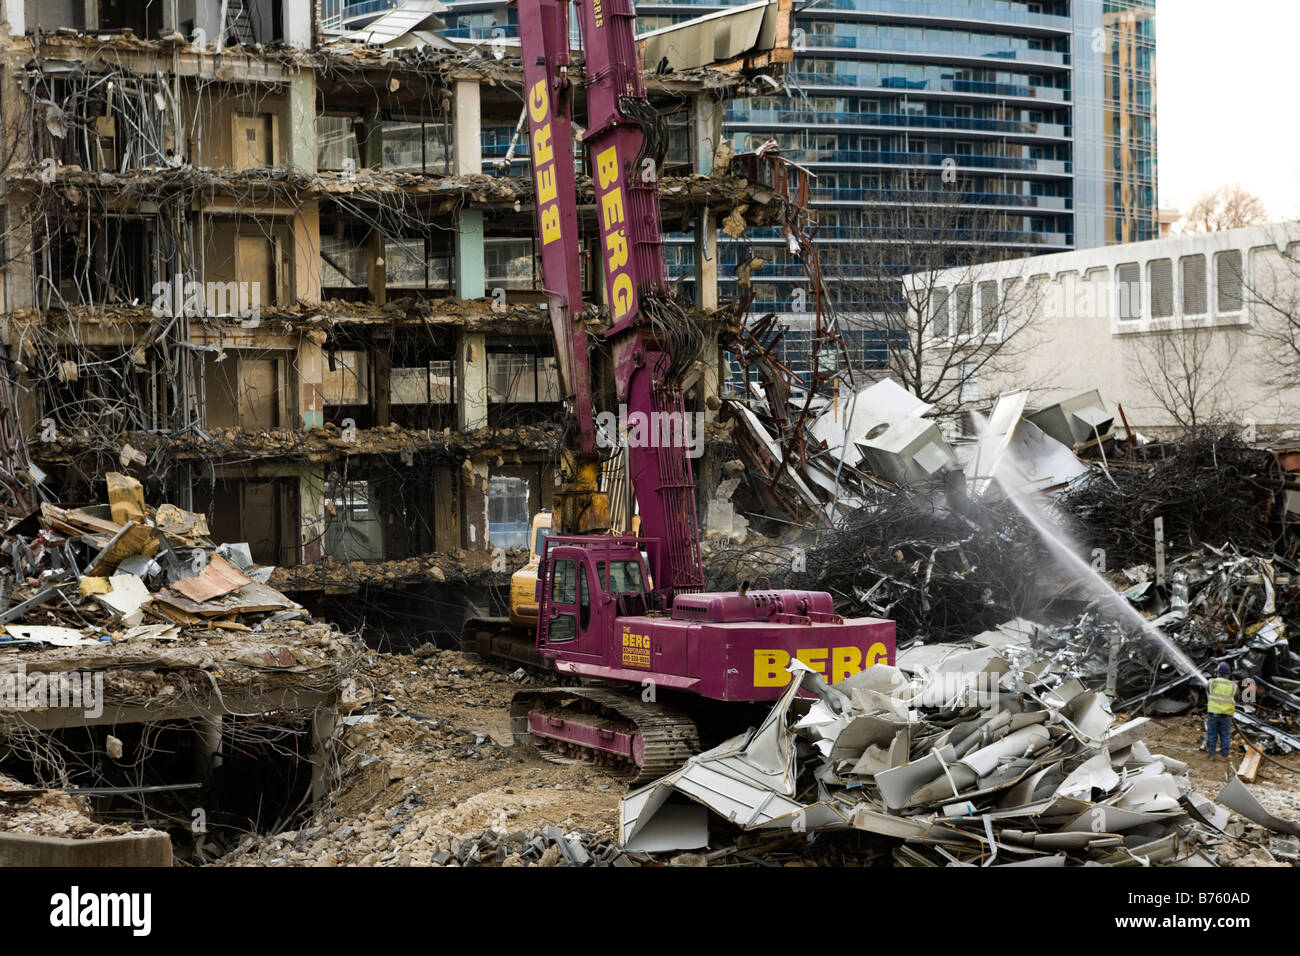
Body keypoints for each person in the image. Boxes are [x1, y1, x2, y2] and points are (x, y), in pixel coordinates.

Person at [1206, 662, 1236, 759]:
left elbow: (1207, 688)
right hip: (1226, 715)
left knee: (1212, 734)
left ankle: (1211, 755)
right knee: (1225, 736)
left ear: (1217, 673)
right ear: (1228, 674)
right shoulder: (1233, 685)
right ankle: (1224, 756)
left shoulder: (1212, 682)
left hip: (1213, 714)